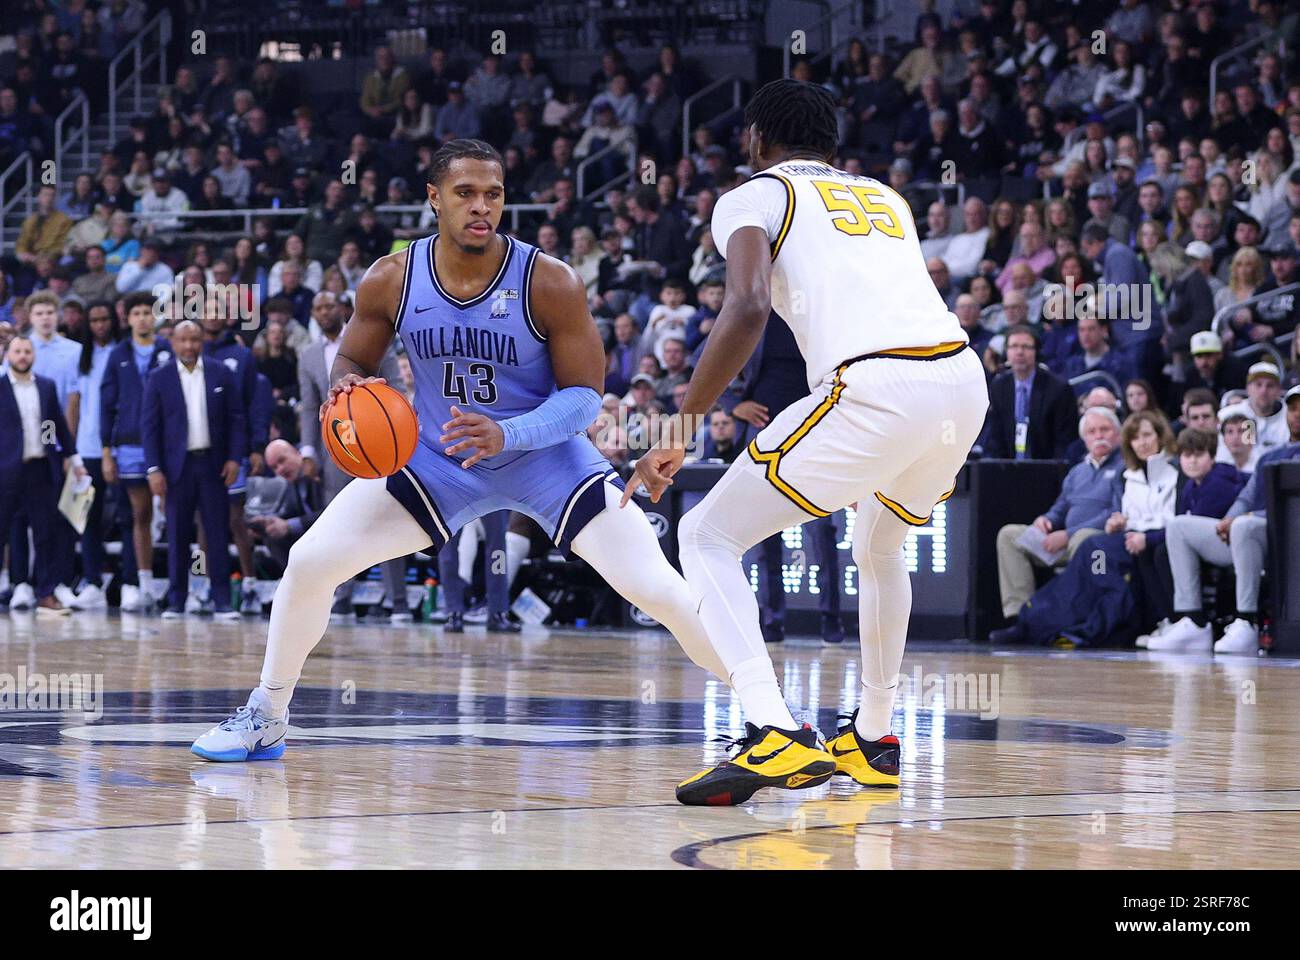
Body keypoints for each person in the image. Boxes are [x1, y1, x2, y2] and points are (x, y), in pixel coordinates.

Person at [191, 138, 728, 764]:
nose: (481, 207)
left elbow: (585, 398)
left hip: (548, 459)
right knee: (310, 561)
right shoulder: (391, 279)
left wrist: (511, 432)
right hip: (438, 459)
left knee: (658, 589)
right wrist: (345, 387)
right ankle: (267, 713)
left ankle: (775, 719)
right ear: (433, 200)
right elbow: (354, 358)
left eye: (493, 194)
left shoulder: (550, 280)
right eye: (465, 193)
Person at [623, 80, 988, 804]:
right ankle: (874, 740)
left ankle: (771, 730)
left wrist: (683, 423)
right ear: (833, 143)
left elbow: (749, 304)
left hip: (875, 386)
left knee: (704, 535)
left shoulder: (751, 195)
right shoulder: (888, 196)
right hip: (960, 380)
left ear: (757, 140)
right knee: (880, 548)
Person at [1155, 385, 1300, 654]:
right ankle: (1193, 621)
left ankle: (1246, 621)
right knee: (1178, 526)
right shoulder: (1269, 457)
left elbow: (1283, 509)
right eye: (1293, 407)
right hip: (1251, 534)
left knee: (1244, 525)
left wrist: (1243, 518)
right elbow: (1246, 497)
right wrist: (1228, 519)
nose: (1297, 413)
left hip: (1287, 536)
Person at [989, 407, 1124, 640]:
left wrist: (1068, 534)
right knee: (1010, 535)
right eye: (1092, 431)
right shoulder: (1077, 471)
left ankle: (1078, 621)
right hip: (1063, 543)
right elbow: (1061, 507)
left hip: (1097, 541)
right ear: (1084, 439)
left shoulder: (1123, 467)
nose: (1099, 435)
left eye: (1105, 429)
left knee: (1086, 541)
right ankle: (1020, 619)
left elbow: (1116, 512)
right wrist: (1046, 520)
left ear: (1118, 434)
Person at [142, 320, 245, 619]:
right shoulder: (158, 378)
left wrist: (235, 458)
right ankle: (176, 600)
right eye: (183, 340)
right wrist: (153, 468)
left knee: (216, 533)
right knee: (177, 534)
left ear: (202, 342)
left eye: (195, 340)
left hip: (213, 463)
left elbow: (236, 419)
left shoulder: (220, 372)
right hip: (176, 468)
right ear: (172, 342)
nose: (189, 346)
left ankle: (222, 600)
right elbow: (150, 427)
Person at [0, 336, 87, 616]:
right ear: (8, 355)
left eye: (27, 351)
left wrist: (74, 459)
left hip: (40, 467)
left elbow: (57, 426)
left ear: (34, 355)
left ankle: (46, 593)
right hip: (7, 469)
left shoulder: (46, 386)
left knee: (45, 532)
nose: (23, 356)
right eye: (18, 351)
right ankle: (14, 584)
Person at [981, 324, 1078, 459]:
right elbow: (995, 437)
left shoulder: (1058, 389)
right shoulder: (999, 387)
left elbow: (1064, 441)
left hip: (1047, 468)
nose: (1019, 352)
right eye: (1014, 346)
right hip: (1008, 468)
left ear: (1036, 352)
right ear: (1006, 352)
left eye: (1026, 346)